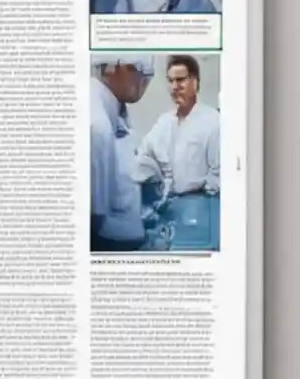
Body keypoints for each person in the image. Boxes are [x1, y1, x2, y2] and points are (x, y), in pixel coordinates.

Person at [90, 55, 152, 251]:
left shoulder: (116, 112)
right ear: (109, 68)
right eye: (136, 68)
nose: (145, 77)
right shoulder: (97, 125)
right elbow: (93, 221)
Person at [134, 55, 219, 195]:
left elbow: (218, 174)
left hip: (200, 202)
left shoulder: (213, 121)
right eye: (170, 80)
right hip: (167, 203)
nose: (174, 87)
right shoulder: (164, 122)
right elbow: (143, 154)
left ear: (195, 82)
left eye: (180, 80)